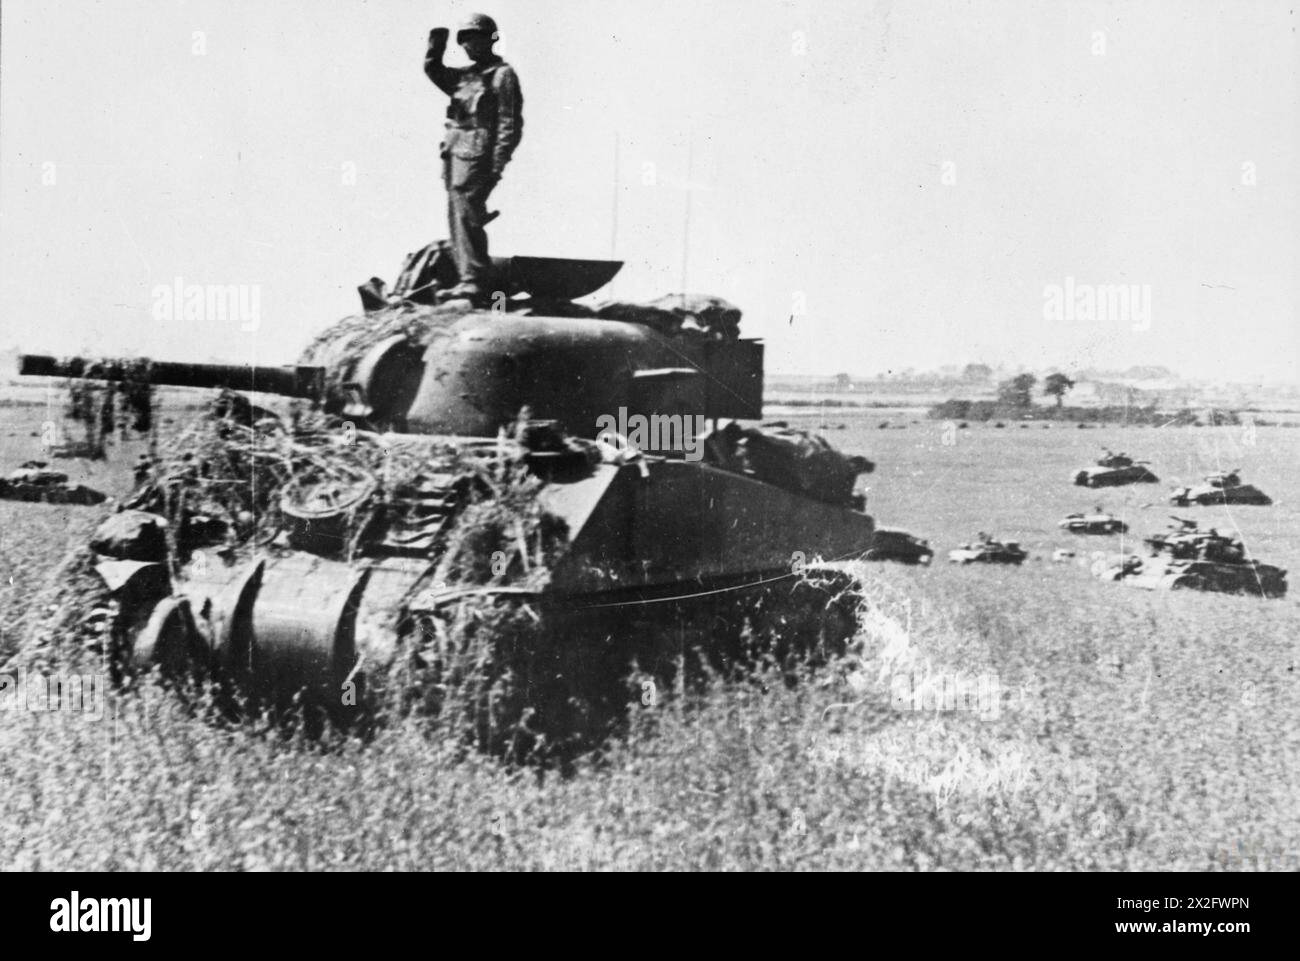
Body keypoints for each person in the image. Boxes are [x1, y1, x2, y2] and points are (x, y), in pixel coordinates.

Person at [425, 14, 524, 306]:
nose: (469, 45)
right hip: (455, 153)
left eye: (474, 39)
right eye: (464, 40)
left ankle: (474, 280)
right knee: (458, 215)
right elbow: (433, 69)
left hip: (479, 154)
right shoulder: (465, 76)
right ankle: (466, 277)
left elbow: (509, 122)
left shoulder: (502, 74)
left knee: (468, 215)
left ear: (489, 39)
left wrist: (498, 162)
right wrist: (437, 41)